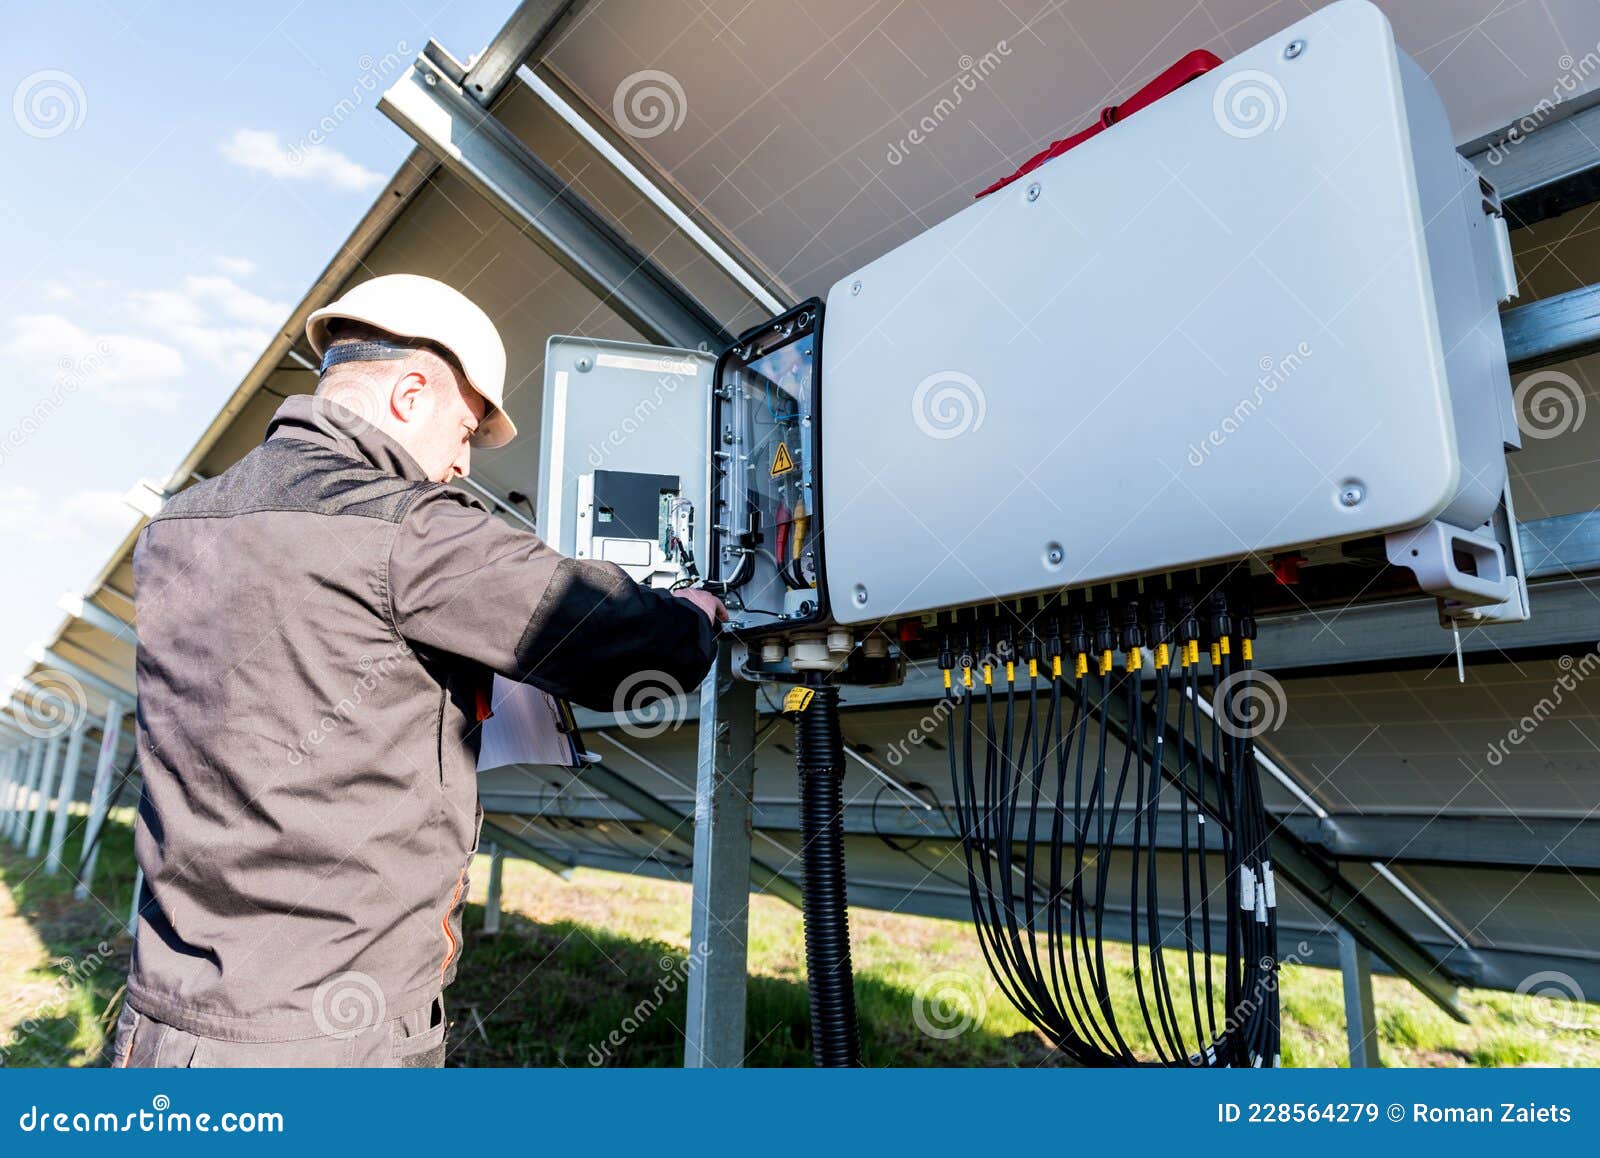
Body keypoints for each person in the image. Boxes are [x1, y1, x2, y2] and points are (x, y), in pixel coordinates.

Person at [112, 274, 724, 1067]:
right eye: (464, 431)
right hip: (325, 1038)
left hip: (169, 1018)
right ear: (408, 396)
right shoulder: (407, 531)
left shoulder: (177, 528)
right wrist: (694, 616)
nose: (461, 465)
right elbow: (619, 639)